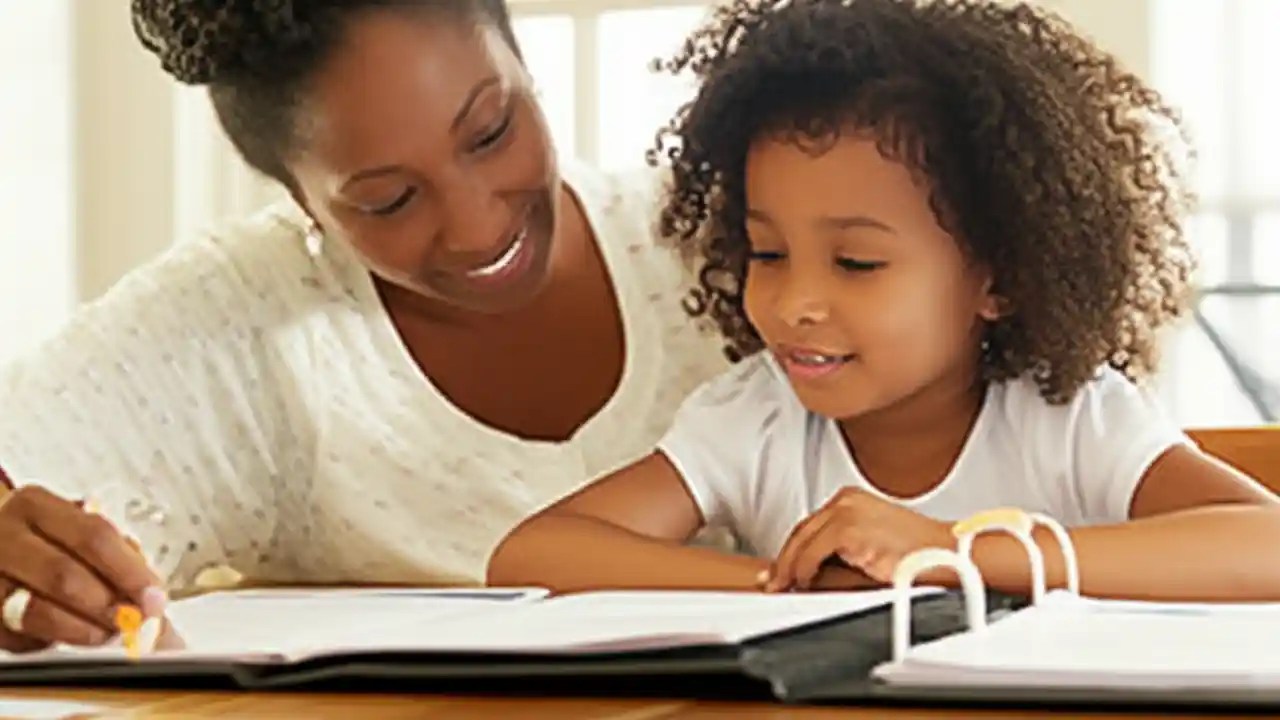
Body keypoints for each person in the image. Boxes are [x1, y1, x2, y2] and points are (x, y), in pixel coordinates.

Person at [488, 0, 1280, 600]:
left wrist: (949, 555)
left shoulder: (1064, 417)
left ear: (998, 275)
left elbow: (1268, 544)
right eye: (768, 252)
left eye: (857, 262)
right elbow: (532, 552)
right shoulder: (754, 420)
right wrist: (788, 587)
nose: (796, 300)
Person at [0, 0, 728, 653]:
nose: (476, 229)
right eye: (389, 201)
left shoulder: (739, 238)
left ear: (521, 59)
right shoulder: (252, 327)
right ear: (303, 201)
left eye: (490, 132)